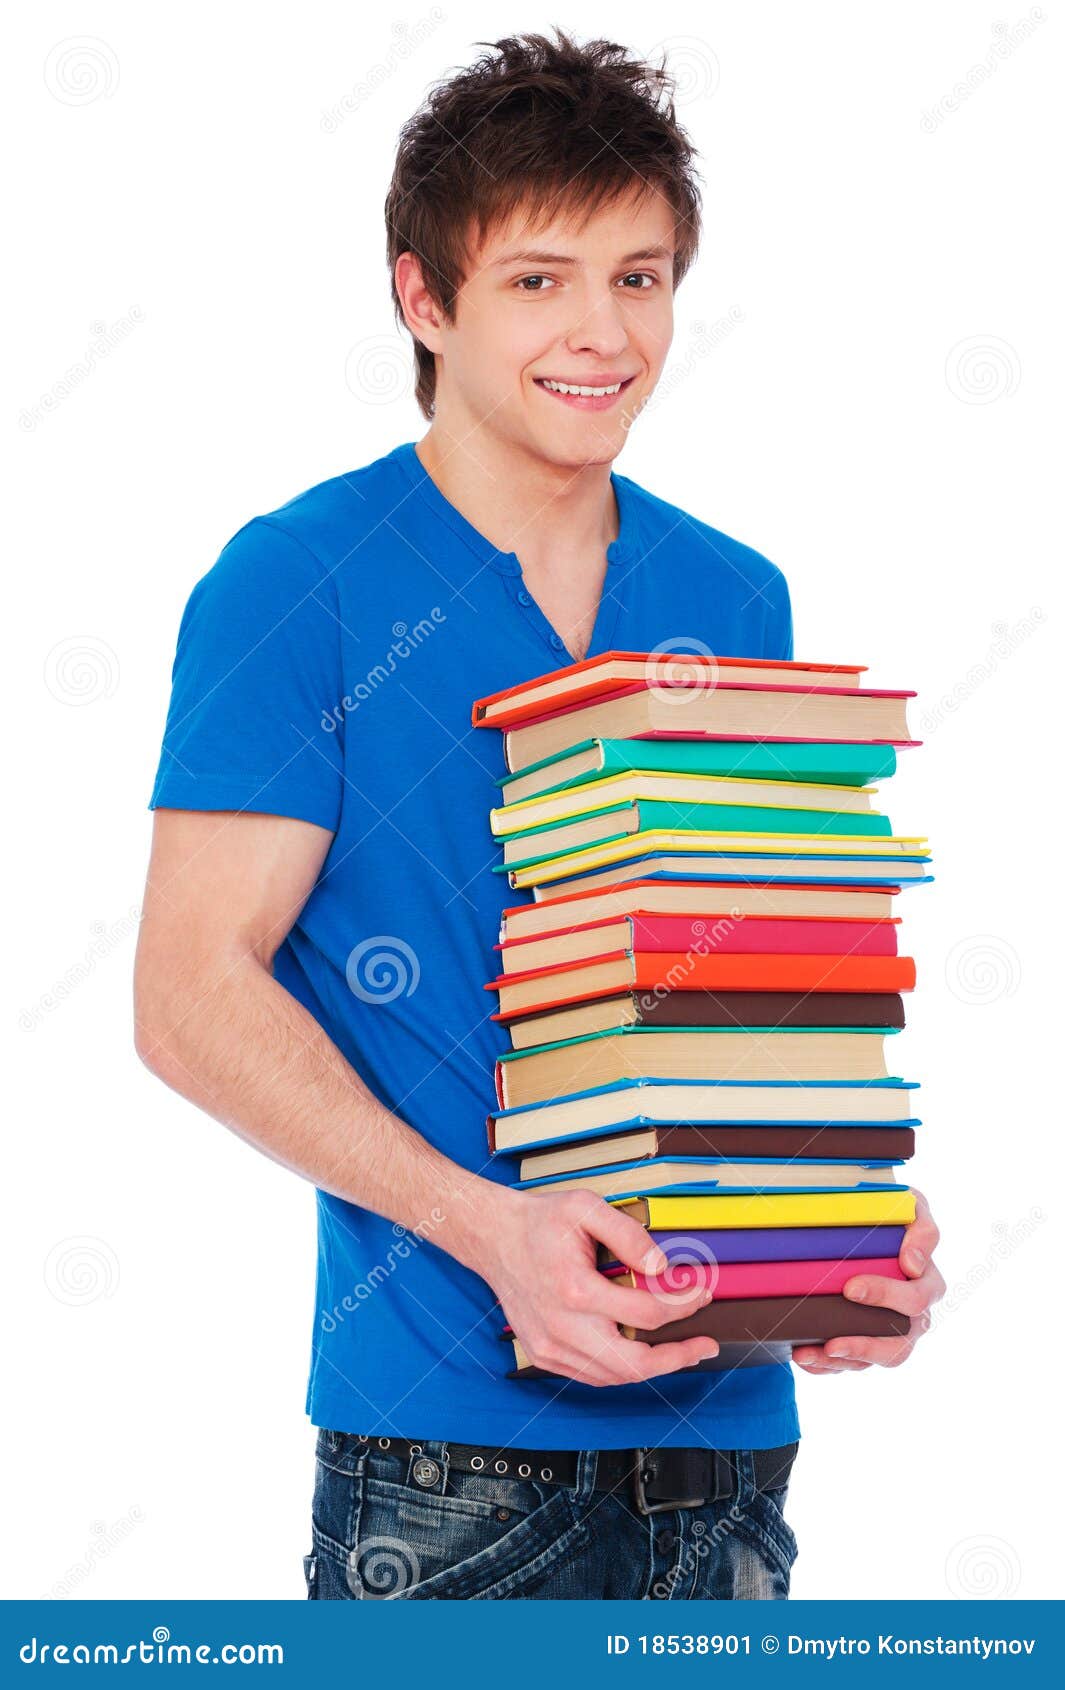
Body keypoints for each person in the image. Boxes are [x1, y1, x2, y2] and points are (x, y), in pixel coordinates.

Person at [134, 29, 943, 1601]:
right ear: (421, 299)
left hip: (728, 1457)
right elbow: (185, 992)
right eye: (539, 280)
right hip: (446, 1468)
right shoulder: (295, 580)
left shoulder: (731, 593)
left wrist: (837, 1229)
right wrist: (486, 1225)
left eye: (639, 278)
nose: (602, 332)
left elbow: (745, 988)